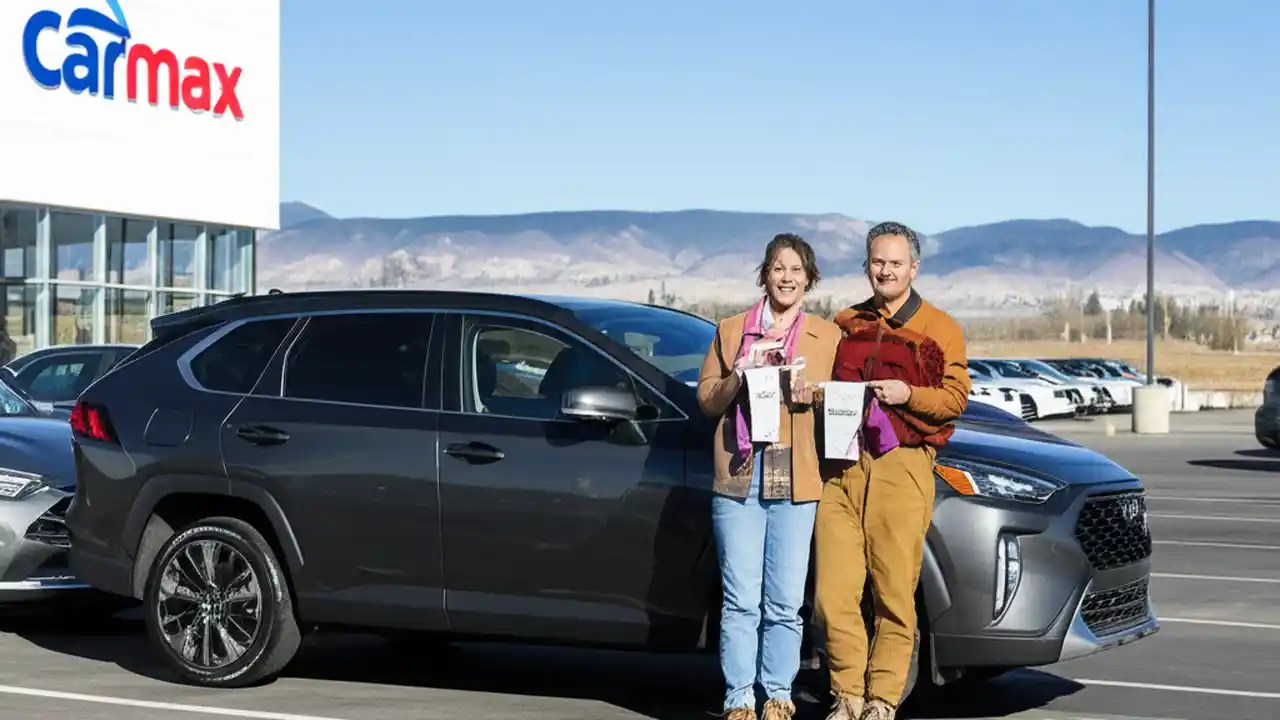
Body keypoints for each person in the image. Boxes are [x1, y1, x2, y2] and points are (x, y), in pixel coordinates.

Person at [813, 221, 970, 720]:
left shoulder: (940, 327)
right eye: (877, 261)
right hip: (842, 467)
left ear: (913, 268)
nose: (885, 270)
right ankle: (847, 694)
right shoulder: (845, 322)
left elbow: (956, 399)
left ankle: (881, 699)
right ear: (867, 265)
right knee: (832, 594)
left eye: (895, 263)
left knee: (893, 592)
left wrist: (909, 396)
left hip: (902, 467)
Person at [697, 233, 843, 720]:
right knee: (740, 600)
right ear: (765, 274)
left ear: (809, 279)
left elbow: (843, 404)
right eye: (779, 269)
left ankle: (777, 694)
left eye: (797, 270)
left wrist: (814, 394)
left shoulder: (827, 337)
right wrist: (740, 376)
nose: (787, 278)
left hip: (795, 473)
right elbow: (706, 399)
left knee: (784, 601)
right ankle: (739, 698)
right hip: (741, 471)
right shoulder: (732, 329)